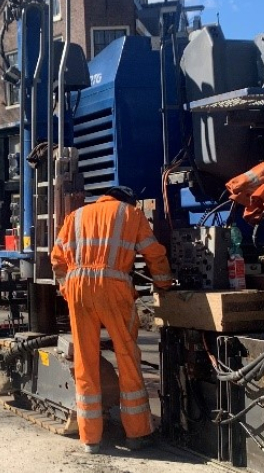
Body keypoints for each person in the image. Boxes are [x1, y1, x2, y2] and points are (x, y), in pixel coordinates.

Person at [50, 186, 173, 454]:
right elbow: (153, 252)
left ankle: (90, 439)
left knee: (85, 359)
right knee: (127, 356)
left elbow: (57, 259)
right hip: (114, 286)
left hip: (78, 287)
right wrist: (164, 283)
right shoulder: (131, 213)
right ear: (126, 200)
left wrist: (67, 290)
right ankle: (136, 434)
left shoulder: (76, 216)